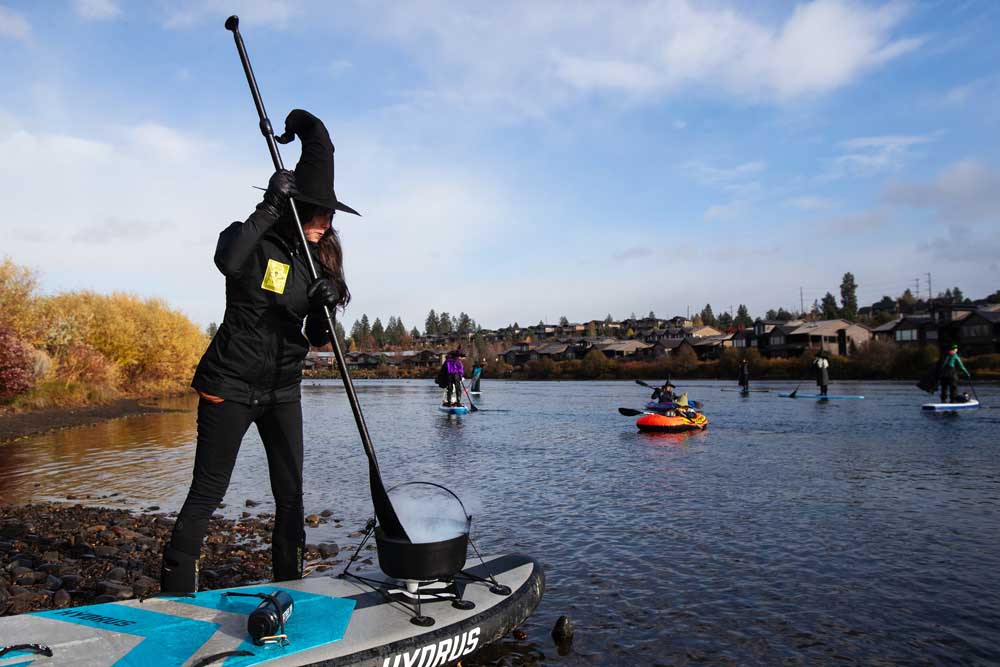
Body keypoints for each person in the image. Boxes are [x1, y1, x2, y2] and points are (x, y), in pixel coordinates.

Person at [160, 109, 360, 594]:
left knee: (291, 495)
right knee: (209, 491)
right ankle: (173, 593)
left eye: (330, 213)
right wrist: (270, 207)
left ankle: (290, 589)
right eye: (317, 211)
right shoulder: (253, 239)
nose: (326, 222)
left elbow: (314, 338)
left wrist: (323, 309)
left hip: (282, 390)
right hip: (228, 385)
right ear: (294, 206)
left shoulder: (321, 261)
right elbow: (226, 261)